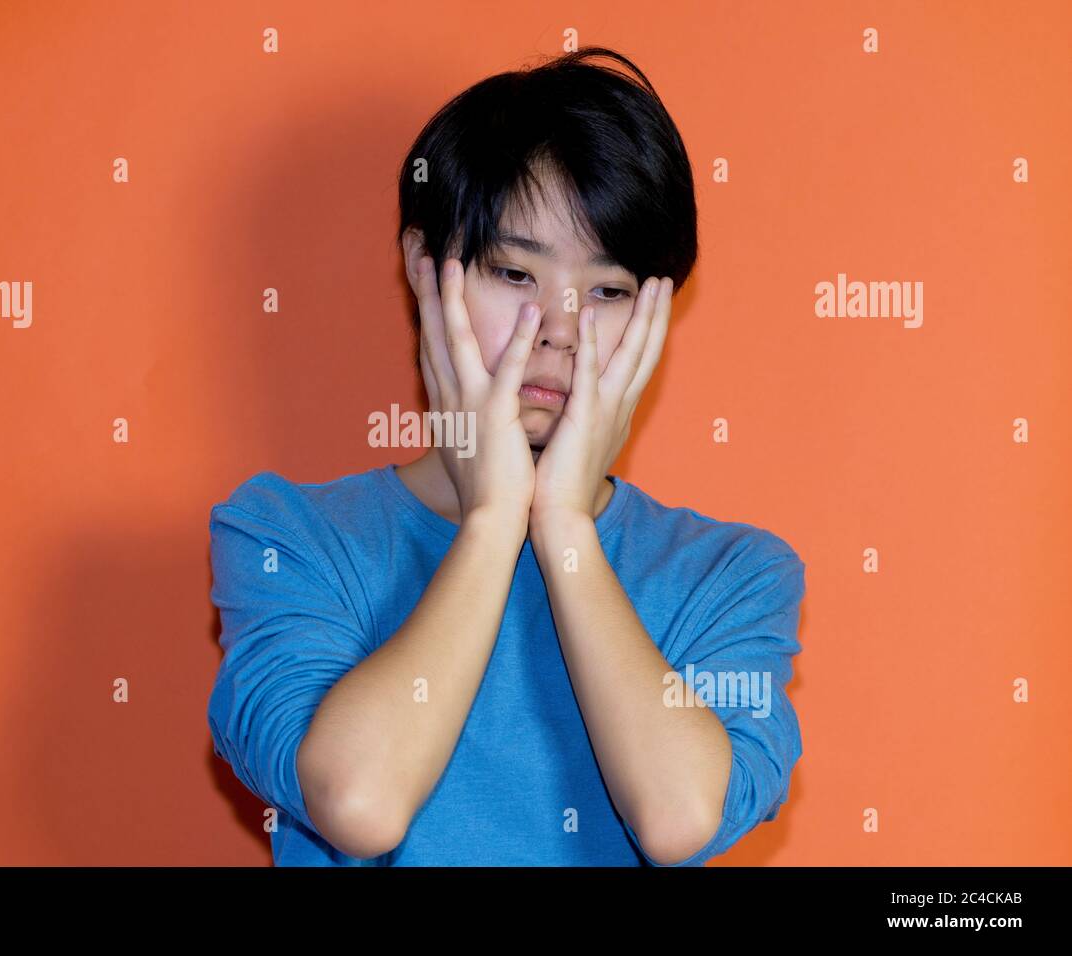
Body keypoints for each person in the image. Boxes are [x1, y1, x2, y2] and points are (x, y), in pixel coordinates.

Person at [207, 46, 806, 866]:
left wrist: (563, 528)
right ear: (426, 270)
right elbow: (360, 801)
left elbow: (678, 821)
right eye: (513, 272)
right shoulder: (288, 536)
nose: (560, 328)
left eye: (608, 291)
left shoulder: (730, 574)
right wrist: (493, 522)